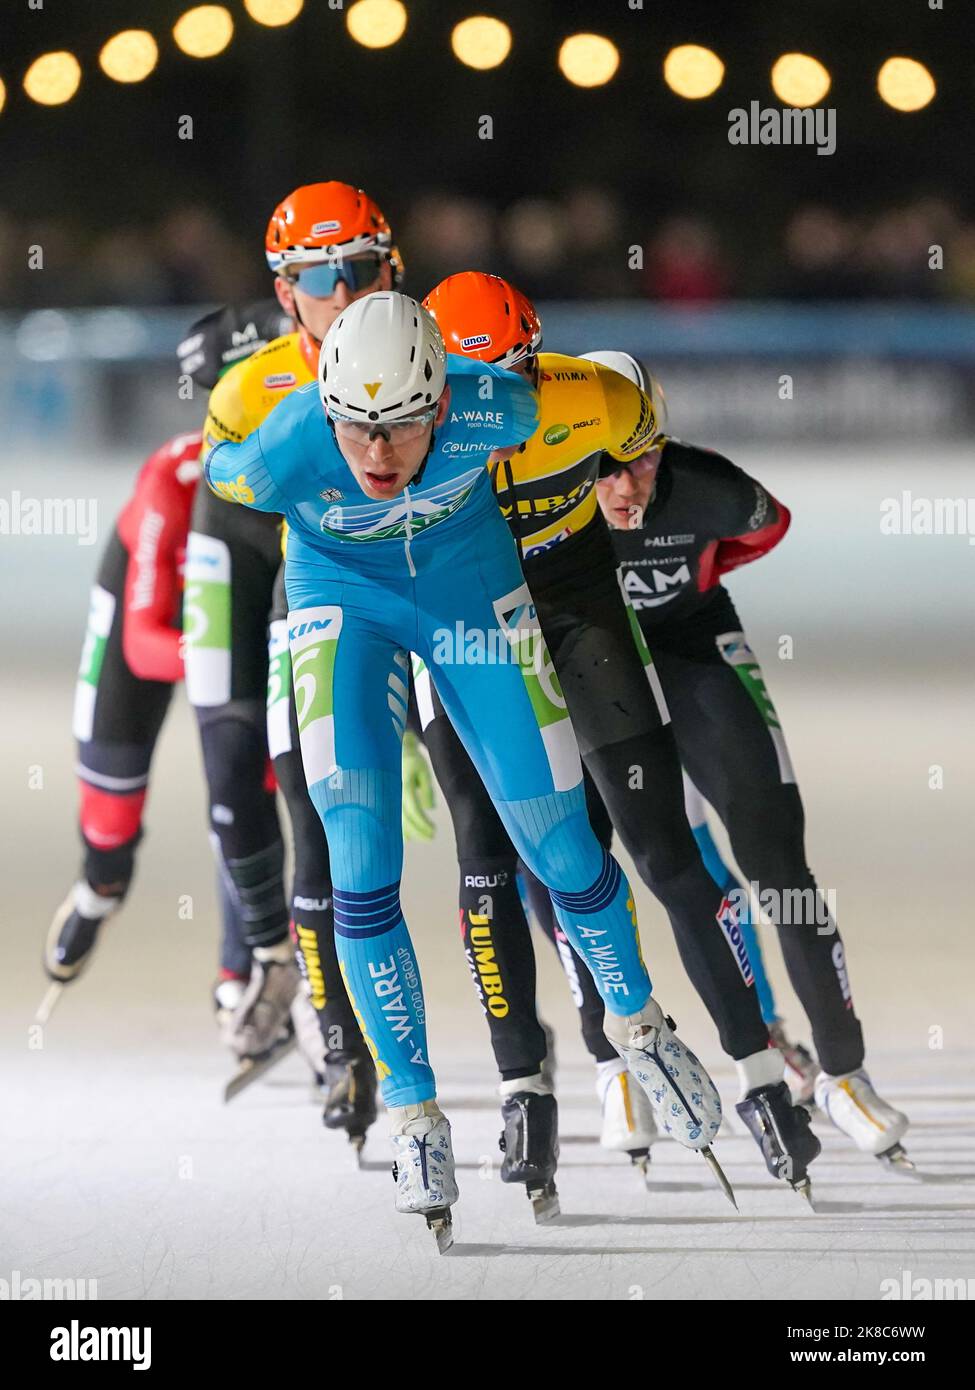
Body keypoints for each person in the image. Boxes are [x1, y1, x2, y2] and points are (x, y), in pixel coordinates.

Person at [203, 290, 729, 1250]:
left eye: (400, 429)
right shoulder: (280, 452)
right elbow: (218, 465)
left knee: (560, 839)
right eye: (354, 430)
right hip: (342, 606)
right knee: (357, 850)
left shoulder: (509, 403)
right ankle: (414, 1114)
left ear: (445, 404)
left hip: (467, 592)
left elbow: (626, 403)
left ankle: (641, 1024)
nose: (374, 456)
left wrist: (640, 450)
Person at [414, 273, 819, 1204]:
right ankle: (529, 1089)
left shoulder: (596, 399)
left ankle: (758, 1073)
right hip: (473, 638)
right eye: (470, 383)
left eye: (512, 374)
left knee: (666, 855)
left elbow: (651, 482)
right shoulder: (404, 429)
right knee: (490, 863)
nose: (493, 402)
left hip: (577, 614)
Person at [560, 349, 911, 1170]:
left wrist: (700, 578)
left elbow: (767, 525)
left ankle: (842, 1072)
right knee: (581, 866)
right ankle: (614, 1065)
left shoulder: (708, 485)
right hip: (593, 669)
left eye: (640, 461)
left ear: (663, 445)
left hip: (693, 651)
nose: (623, 488)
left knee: (777, 863)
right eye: (601, 469)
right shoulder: (545, 497)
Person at [184, 184, 400, 1104]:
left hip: (367, 589)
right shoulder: (247, 376)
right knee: (241, 766)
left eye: (363, 270)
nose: (345, 291)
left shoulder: (426, 356)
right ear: (285, 293)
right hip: (252, 567)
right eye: (322, 277)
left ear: (394, 269)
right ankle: (278, 963)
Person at [40, 303, 290, 1032]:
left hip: (227, 633)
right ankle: (98, 890)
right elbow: (145, 636)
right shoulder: (172, 476)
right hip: (145, 632)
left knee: (241, 789)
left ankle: (235, 976)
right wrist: (223, 655)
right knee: (111, 828)